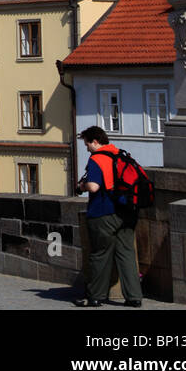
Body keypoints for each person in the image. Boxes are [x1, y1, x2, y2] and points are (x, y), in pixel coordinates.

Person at [75, 126, 143, 308]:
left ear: (95, 141)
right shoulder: (119, 154)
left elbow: (94, 186)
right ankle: (134, 297)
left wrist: (82, 187)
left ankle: (95, 296)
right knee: (127, 254)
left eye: (87, 143)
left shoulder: (98, 159)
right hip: (127, 213)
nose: (87, 148)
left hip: (103, 212)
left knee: (100, 255)